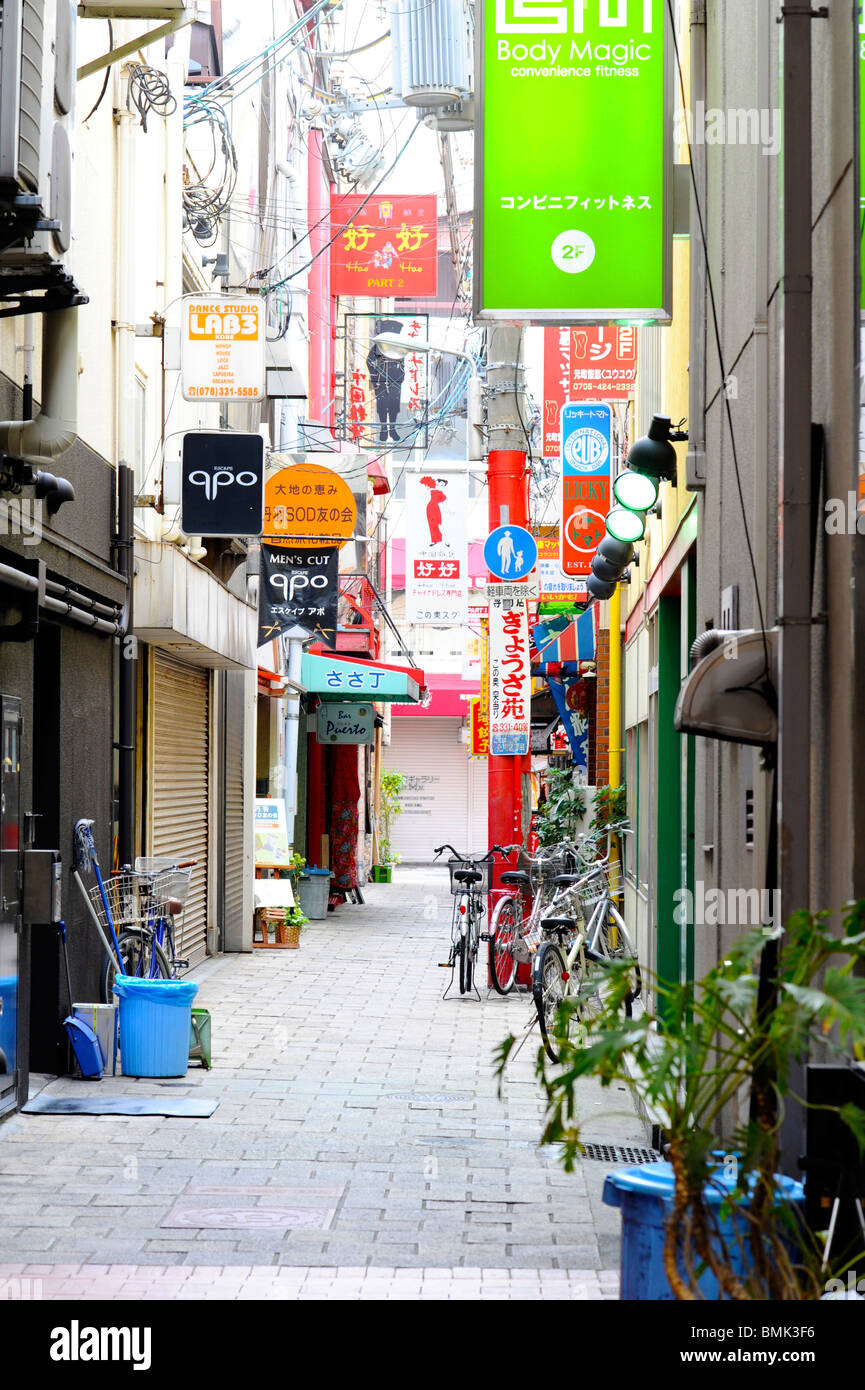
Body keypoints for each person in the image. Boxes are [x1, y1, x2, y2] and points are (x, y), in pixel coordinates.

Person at [420, 475, 448, 545]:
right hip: (429, 509)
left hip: (436, 510)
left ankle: (446, 540)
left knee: (439, 525)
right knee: (431, 525)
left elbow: (444, 505)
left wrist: (449, 511)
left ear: (444, 486)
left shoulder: (442, 495)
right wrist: (427, 489)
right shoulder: (432, 491)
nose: (439, 486)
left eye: (442, 485)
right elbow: (422, 497)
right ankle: (434, 540)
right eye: (438, 484)